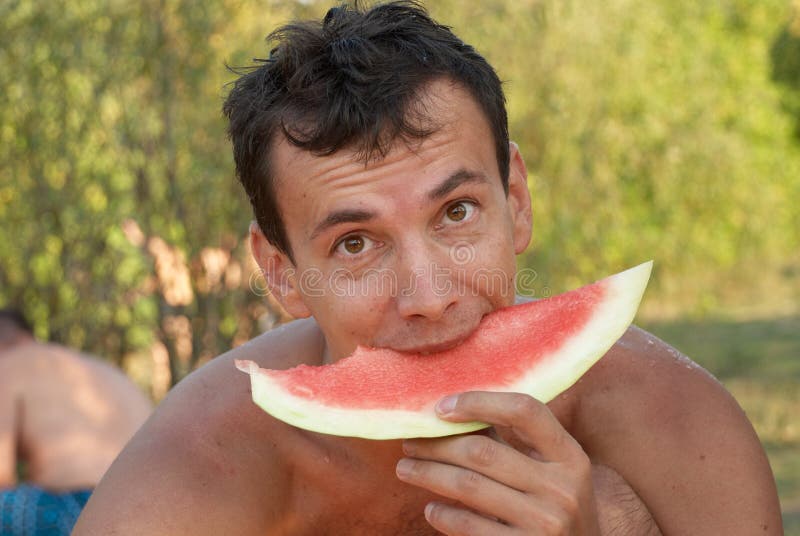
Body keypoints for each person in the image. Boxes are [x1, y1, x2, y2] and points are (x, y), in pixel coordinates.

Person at [74, 2, 783, 534]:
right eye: (356, 243)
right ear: (283, 273)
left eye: (457, 213)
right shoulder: (195, 473)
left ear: (516, 202)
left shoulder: (671, 423)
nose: (431, 296)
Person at [0, 309, 152, 535]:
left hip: (77, 512)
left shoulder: (8, 364)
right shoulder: (105, 371)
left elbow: (2, 477)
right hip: (153, 512)